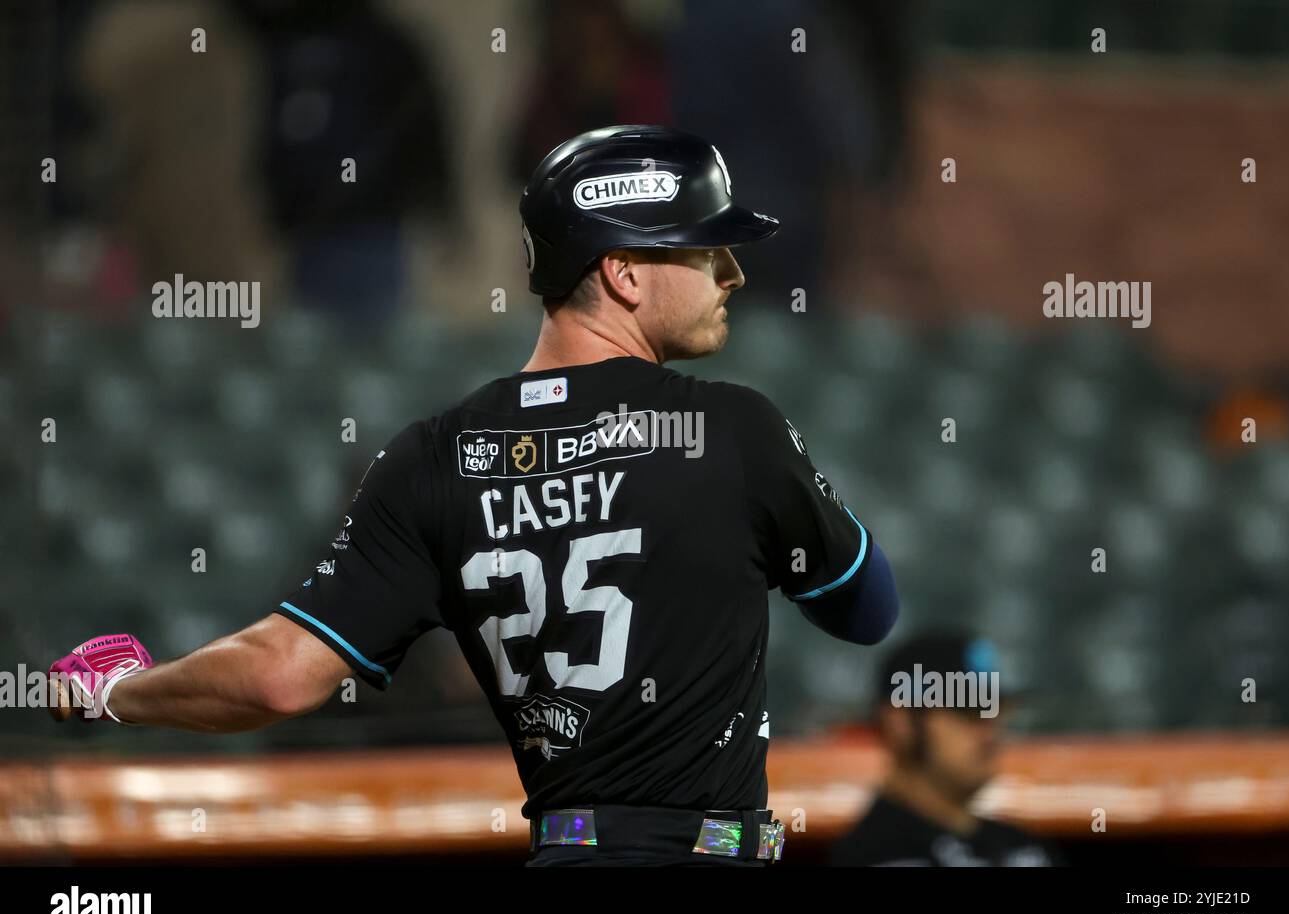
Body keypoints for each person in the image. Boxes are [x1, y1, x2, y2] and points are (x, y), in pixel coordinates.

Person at [48, 125, 900, 867]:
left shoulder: (433, 457)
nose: (732, 273)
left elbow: (277, 680)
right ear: (625, 273)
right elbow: (868, 609)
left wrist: (116, 691)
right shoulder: (731, 429)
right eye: (704, 247)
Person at [830, 627, 1059, 867]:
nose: (990, 733)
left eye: (996, 711)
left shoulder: (1025, 847)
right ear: (901, 722)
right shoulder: (873, 856)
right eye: (968, 711)